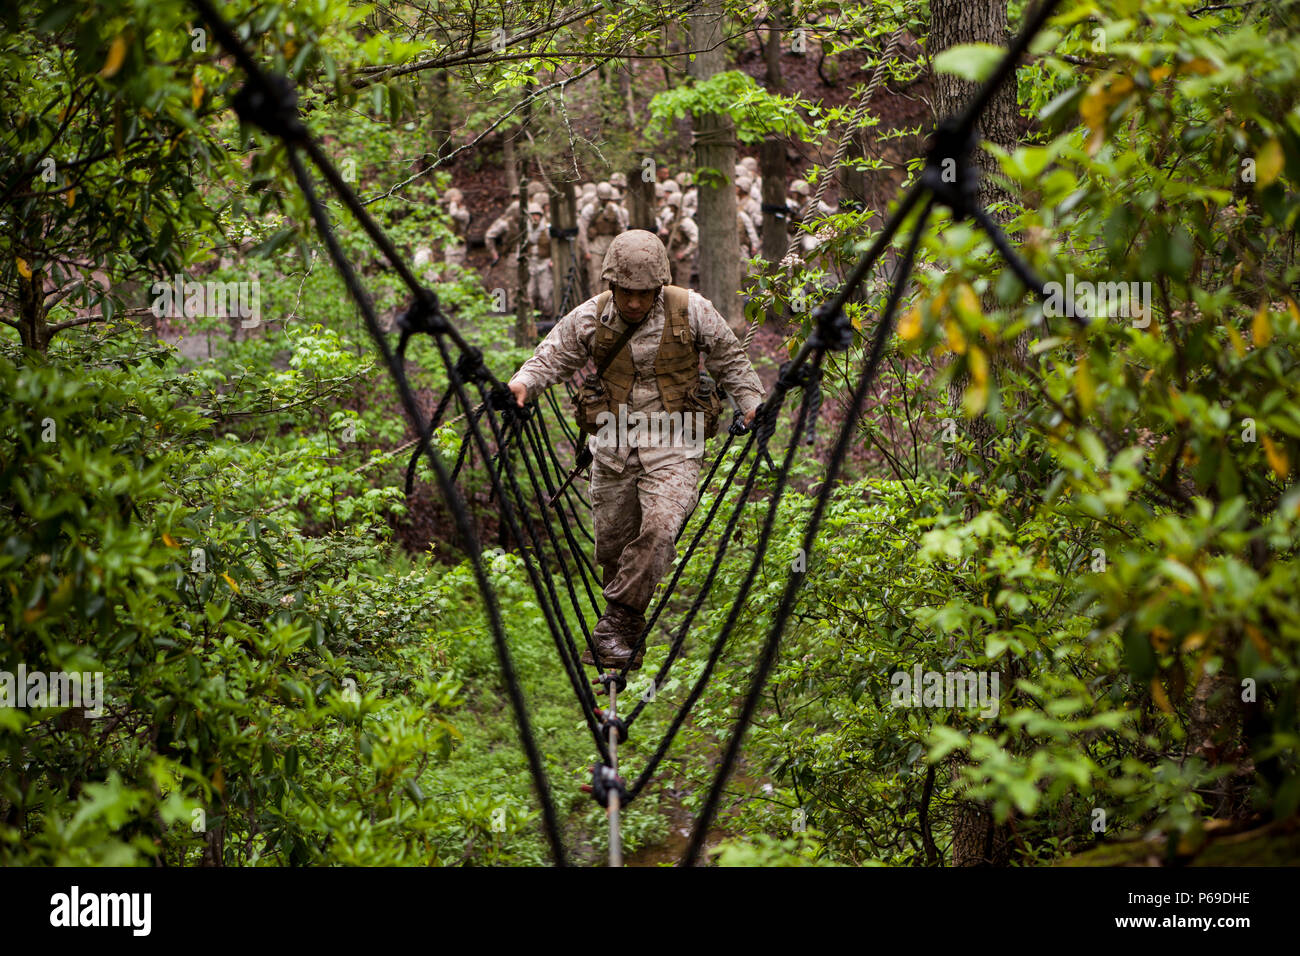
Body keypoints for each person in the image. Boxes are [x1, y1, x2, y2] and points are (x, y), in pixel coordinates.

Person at [506, 230, 764, 669]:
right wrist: (521, 386)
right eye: (626, 292)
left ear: (659, 286)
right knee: (613, 552)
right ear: (611, 285)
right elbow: (551, 356)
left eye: (644, 294)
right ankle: (624, 636)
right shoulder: (594, 316)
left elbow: (731, 360)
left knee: (661, 530)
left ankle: (619, 623)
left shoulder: (692, 310)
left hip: (677, 442)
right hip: (612, 445)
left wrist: (754, 404)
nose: (633, 303)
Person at [524, 201, 554, 319]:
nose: (534, 217)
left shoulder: (547, 228)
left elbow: (553, 246)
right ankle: (532, 320)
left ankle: (548, 317)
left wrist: (552, 260)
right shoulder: (525, 229)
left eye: (537, 214)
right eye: (532, 214)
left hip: (544, 263)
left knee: (545, 294)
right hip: (530, 263)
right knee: (530, 293)